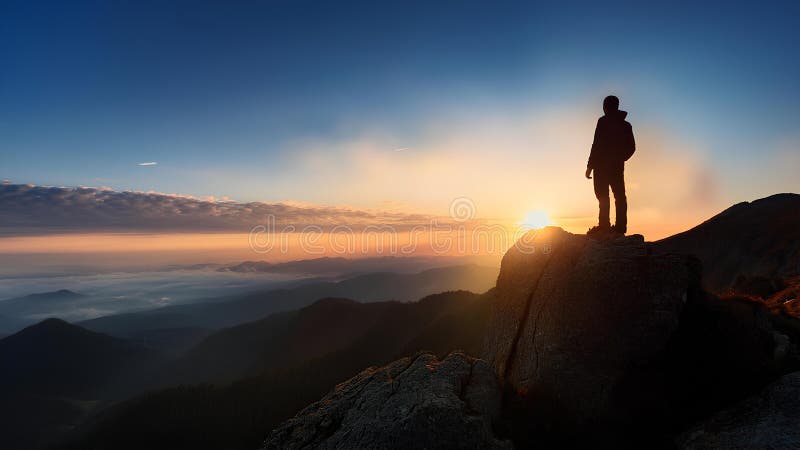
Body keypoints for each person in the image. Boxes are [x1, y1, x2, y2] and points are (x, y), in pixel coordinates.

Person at [585, 95, 635, 236]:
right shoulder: (626, 125)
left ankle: (604, 226)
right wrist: (620, 159)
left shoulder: (603, 122)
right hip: (616, 167)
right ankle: (620, 228)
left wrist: (590, 166)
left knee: (603, 196)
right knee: (619, 196)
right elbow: (631, 147)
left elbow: (596, 145)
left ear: (607, 107)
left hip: (601, 167)